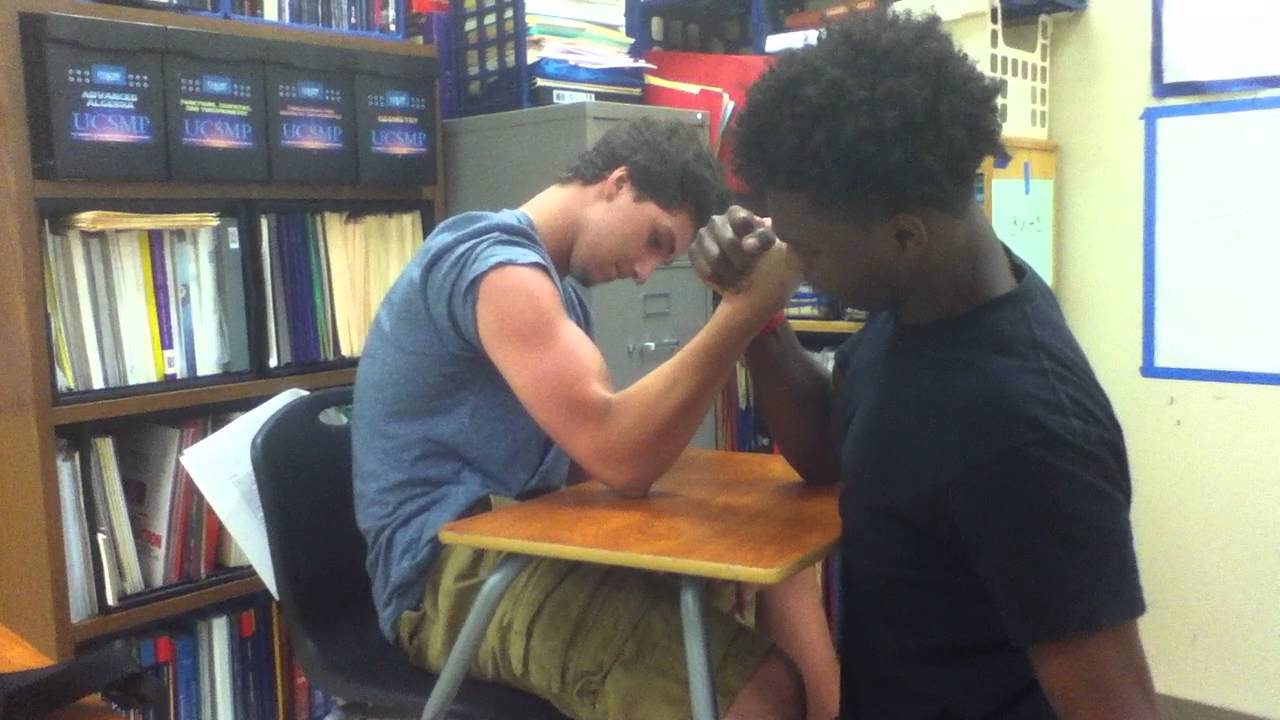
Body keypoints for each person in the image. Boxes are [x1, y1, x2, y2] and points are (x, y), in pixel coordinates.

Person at [690, 10, 1160, 719]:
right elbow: (831, 449)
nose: (795, 265)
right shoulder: (921, 309)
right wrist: (754, 313)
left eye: (809, 252)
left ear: (905, 236)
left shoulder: (1028, 432)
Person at [351, 116, 839, 720]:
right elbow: (621, 456)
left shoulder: (562, 297)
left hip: (529, 539)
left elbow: (592, 470)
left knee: (778, 568)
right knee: (760, 694)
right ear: (618, 183)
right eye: (656, 241)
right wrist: (745, 311)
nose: (642, 272)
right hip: (446, 576)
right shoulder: (494, 265)